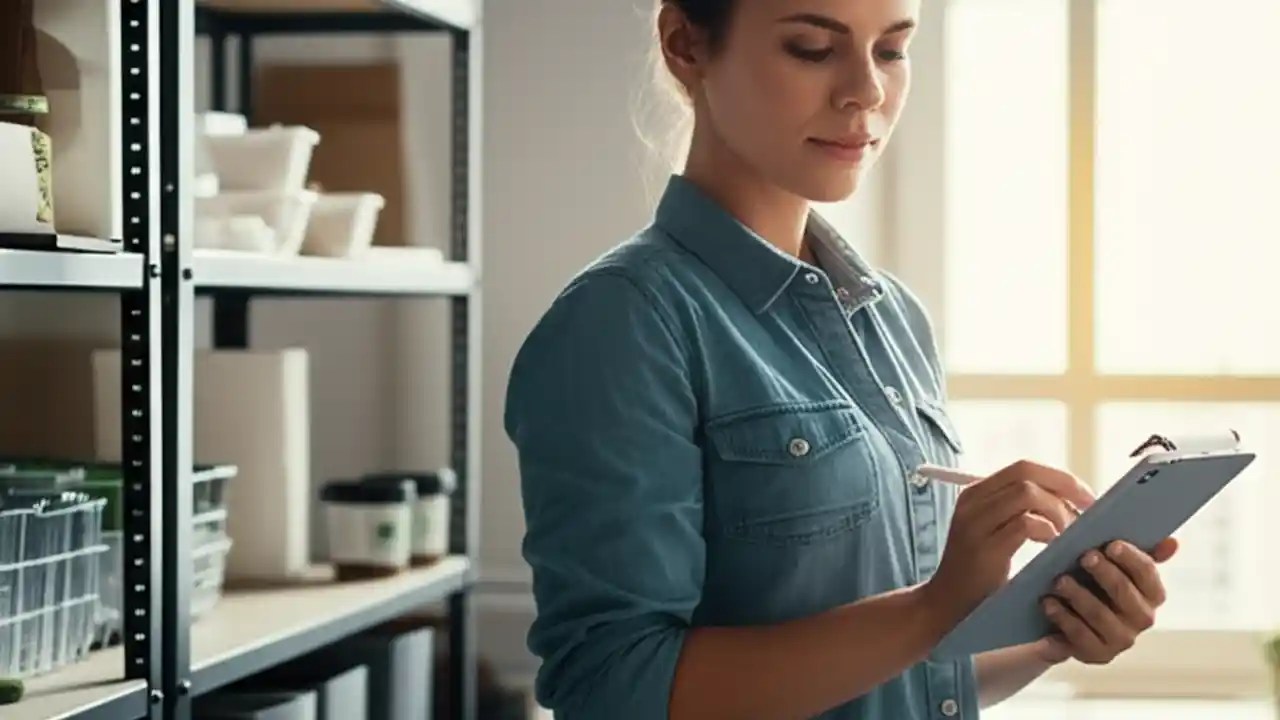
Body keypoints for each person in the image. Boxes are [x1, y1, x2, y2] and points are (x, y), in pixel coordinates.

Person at [503, 1, 1180, 718]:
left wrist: (1056, 633)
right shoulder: (623, 324)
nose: (867, 91)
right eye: (811, 48)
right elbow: (613, 688)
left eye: (891, 51)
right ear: (684, 45)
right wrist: (934, 605)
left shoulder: (895, 318)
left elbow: (907, 679)